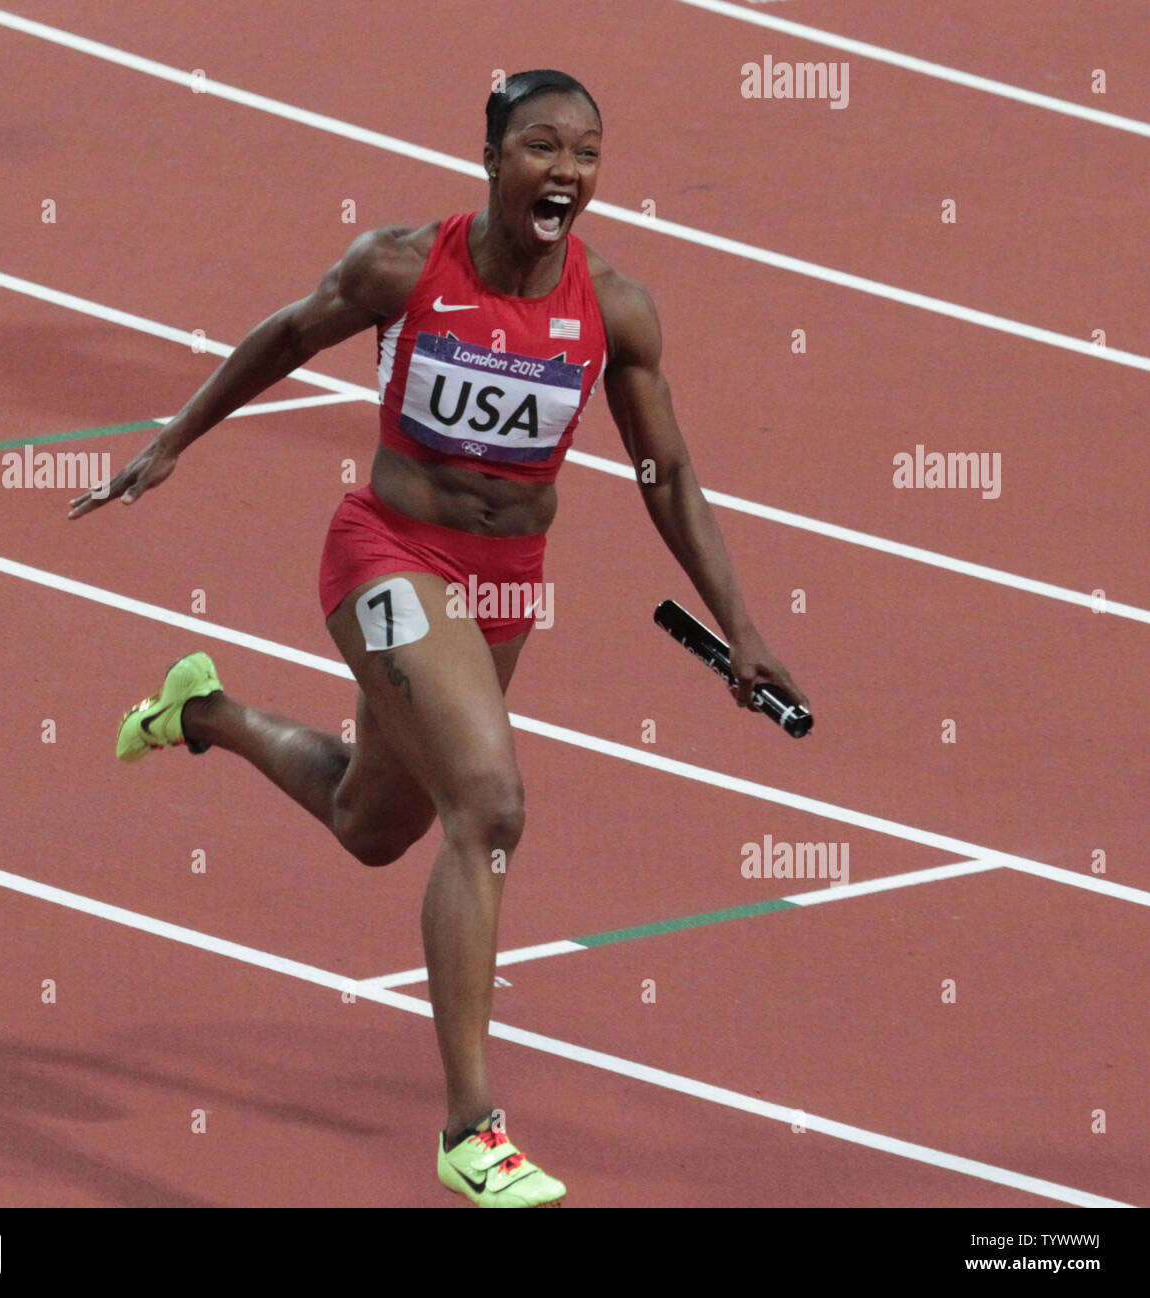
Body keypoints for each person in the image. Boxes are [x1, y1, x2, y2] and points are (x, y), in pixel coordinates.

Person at [69, 69, 807, 1208]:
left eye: (587, 154)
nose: (566, 170)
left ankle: (201, 709)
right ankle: (471, 1125)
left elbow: (668, 473)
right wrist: (175, 439)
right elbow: (284, 335)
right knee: (491, 803)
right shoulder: (403, 265)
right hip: (386, 554)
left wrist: (741, 626)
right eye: (542, 147)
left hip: (508, 584)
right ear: (493, 160)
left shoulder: (615, 308)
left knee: (374, 821)